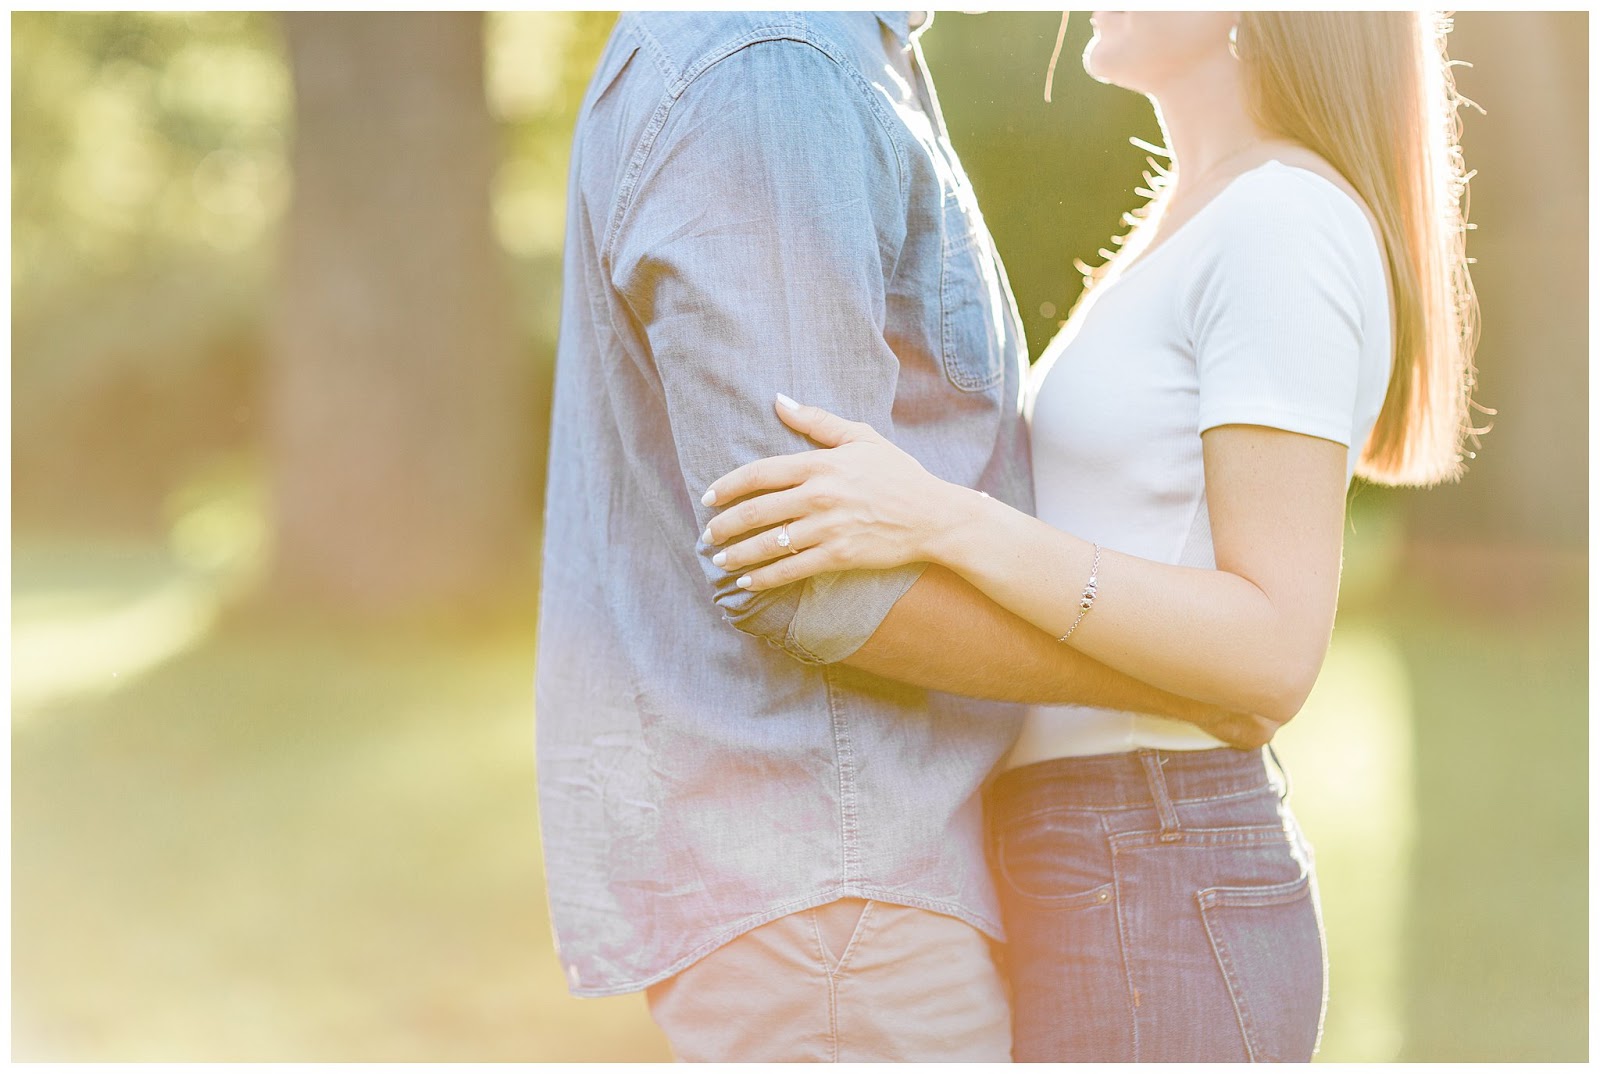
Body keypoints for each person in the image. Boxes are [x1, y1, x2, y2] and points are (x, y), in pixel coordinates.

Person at [700, 10, 1481, 1063]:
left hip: (1158, 853)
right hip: (1101, 847)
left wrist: (941, 518)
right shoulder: (1199, 214)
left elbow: (1273, 647)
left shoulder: (1283, 222)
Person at [536, 9, 1278, 1063]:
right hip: (837, 903)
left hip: (844, 889)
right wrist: (1179, 681)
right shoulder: (772, 70)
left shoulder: (825, 58)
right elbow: (816, 583)